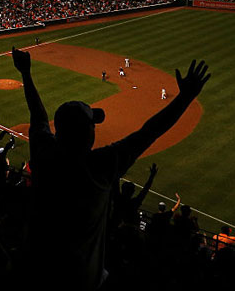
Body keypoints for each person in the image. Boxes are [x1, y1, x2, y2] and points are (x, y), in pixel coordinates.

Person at [11, 45, 211, 291]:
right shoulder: (99, 166)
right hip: (79, 282)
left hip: (33, 270)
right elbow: (149, 132)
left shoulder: (44, 153)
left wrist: (26, 73)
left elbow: (39, 118)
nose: (94, 129)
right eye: (91, 125)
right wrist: (185, 97)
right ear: (85, 133)